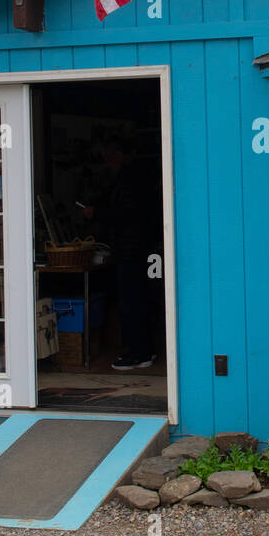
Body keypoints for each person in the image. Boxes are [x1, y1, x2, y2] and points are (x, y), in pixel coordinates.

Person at [83, 138, 160, 371]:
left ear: (118, 155)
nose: (107, 163)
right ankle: (144, 349)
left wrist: (96, 213)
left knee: (132, 301)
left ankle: (138, 353)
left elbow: (125, 215)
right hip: (140, 248)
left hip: (132, 251)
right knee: (139, 300)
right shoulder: (138, 178)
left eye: (109, 157)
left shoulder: (129, 181)